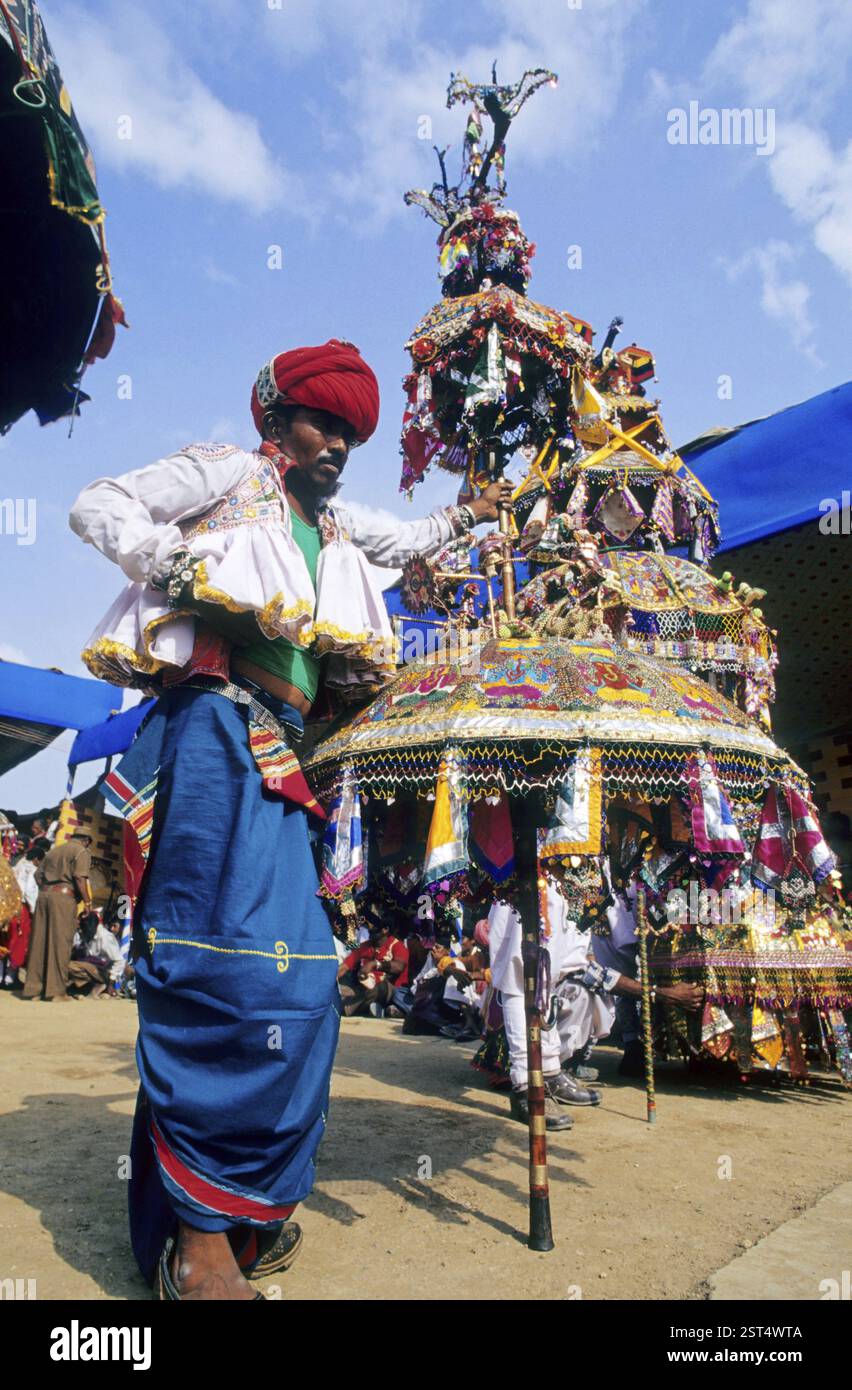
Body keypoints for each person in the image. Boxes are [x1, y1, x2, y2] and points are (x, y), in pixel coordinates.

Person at [68, 340, 512, 1300]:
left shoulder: (338, 522)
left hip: (288, 763)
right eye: (323, 423)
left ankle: (249, 1206)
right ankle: (198, 1241)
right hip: (214, 737)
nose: (338, 445)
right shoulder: (228, 475)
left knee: (306, 989)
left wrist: (469, 513)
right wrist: (178, 570)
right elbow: (97, 502)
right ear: (278, 421)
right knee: (214, 968)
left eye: (351, 432)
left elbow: (408, 542)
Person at [21, 830, 93, 1000]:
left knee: (39, 942)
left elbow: (37, 875)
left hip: (44, 896)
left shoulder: (54, 850)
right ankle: (56, 992)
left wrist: (47, 891)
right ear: (86, 840)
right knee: (60, 943)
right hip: (63, 898)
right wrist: (87, 902)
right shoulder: (81, 851)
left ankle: (33, 990)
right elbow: (79, 878)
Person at [337, 919, 409, 1017]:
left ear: (385, 929)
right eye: (368, 928)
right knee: (342, 986)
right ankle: (373, 1008)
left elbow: (399, 967)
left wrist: (374, 964)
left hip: (388, 989)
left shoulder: (397, 946)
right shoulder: (363, 946)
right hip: (361, 989)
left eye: (373, 927)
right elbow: (344, 966)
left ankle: (344, 1009)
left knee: (376, 988)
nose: (369, 930)